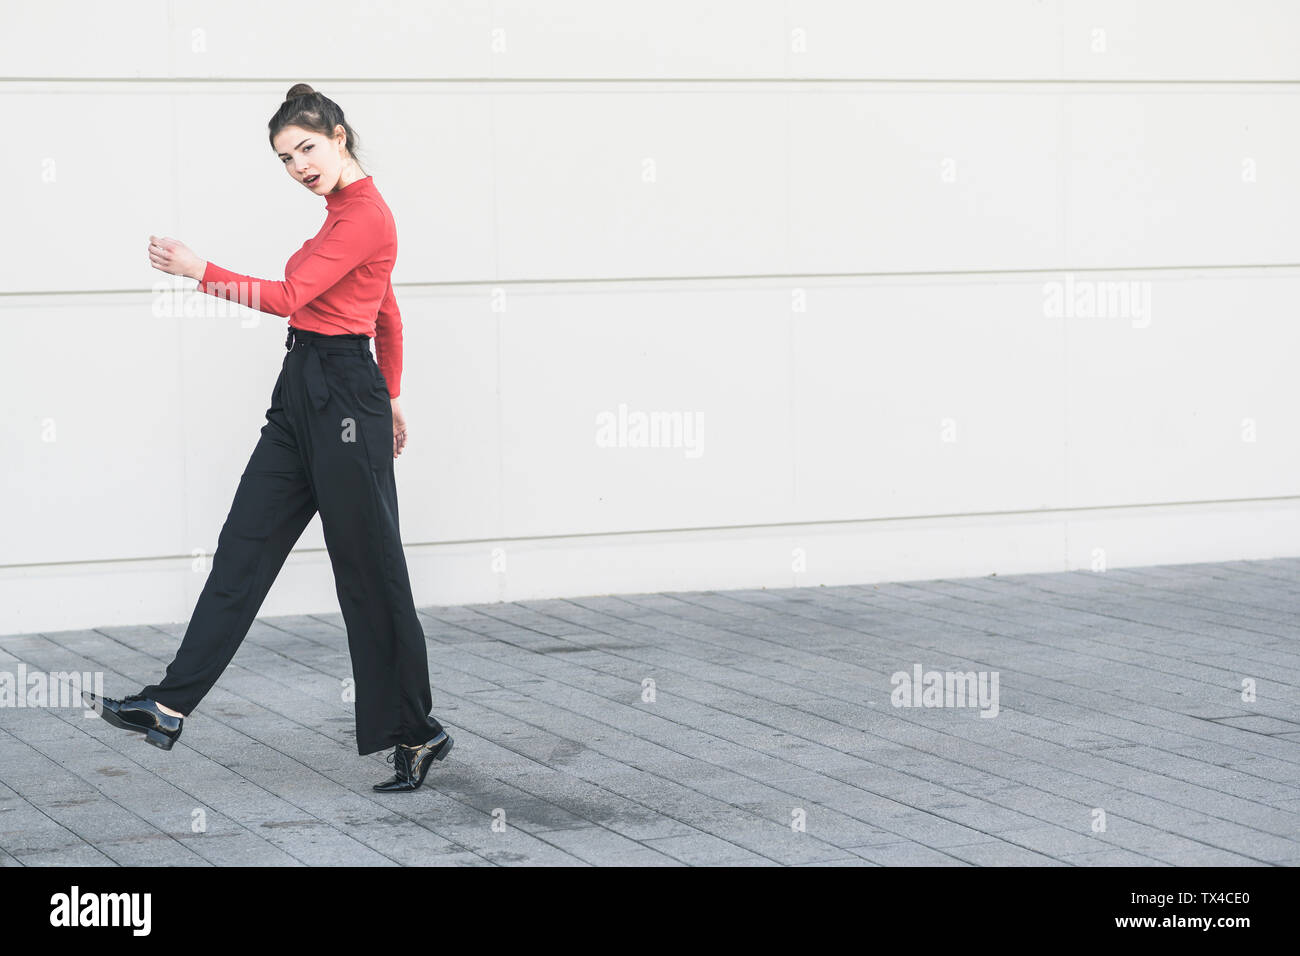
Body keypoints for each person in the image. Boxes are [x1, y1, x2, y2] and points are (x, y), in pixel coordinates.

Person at [83, 83, 452, 794]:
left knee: (369, 574)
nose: (298, 166)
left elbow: (289, 298)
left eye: (306, 148)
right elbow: (389, 315)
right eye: (285, 158)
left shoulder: (365, 215)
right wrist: (396, 396)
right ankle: (166, 705)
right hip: (305, 392)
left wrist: (201, 272)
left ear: (339, 135)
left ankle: (418, 730)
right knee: (245, 546)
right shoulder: (339, 216)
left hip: (342, 394)